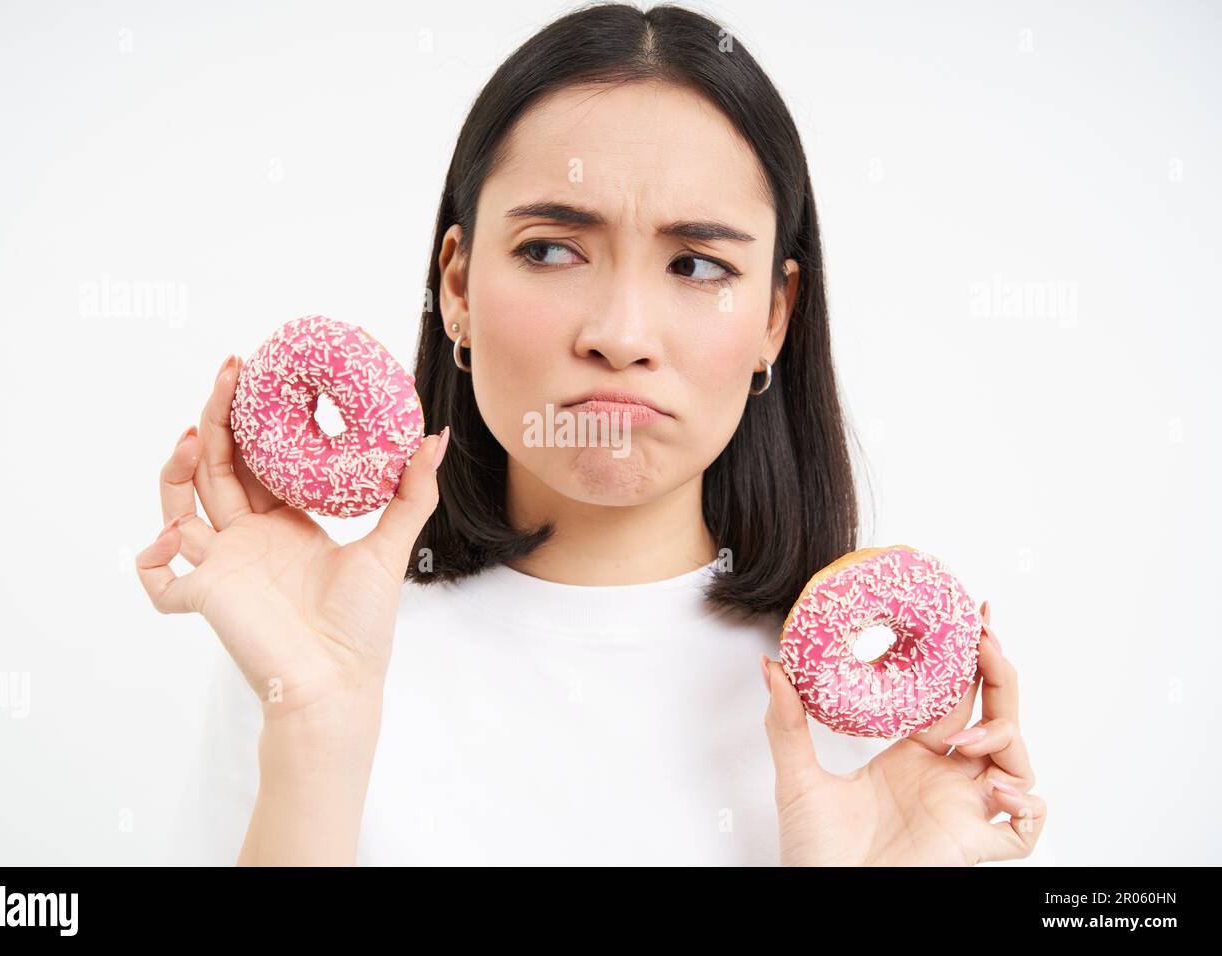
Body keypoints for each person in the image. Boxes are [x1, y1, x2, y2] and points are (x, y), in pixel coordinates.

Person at [140, 2, 1052, 866]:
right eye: (550, 249)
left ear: (776, 315)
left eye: (697, 265)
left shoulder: (890, 735)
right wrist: (315, 726)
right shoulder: (318, 644)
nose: (619, 333)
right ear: (455, 286)